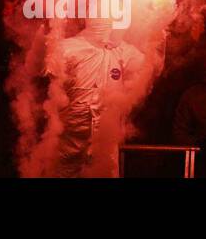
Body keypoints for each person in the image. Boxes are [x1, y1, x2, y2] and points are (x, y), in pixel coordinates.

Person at [55, 18, 147, 177]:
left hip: (105, 137)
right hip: (71, 134)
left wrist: (159, 34)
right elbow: (44, 71)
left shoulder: (123, 51)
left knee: (104, 171)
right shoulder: (68, 47)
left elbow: (150, 68)